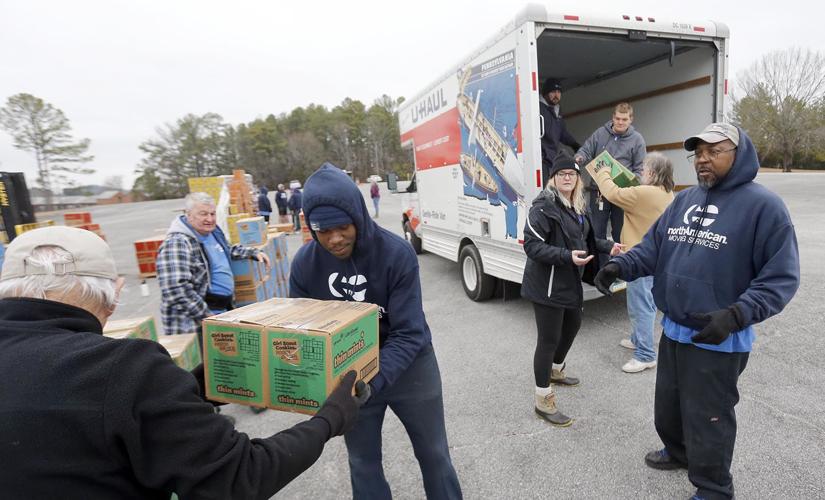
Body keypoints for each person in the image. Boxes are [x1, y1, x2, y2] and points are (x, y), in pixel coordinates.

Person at [0, 225, 362, 499]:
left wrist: (188, 389)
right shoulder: (124, 369)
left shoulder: (124, 379)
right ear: (112, 295)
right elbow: (241, 476)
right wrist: (330, 419)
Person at [594, 123, 800, 499]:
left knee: (709, 418)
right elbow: (653, 248)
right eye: (697, 153)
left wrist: (737, 315)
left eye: (713, 151)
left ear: (739, 155)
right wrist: (620, 267)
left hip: (719, 337)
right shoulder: (685, 202)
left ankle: (715, 488)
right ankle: (679, 452)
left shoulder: (764, 208)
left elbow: (781, 278)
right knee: (668, 409)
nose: (702, 159)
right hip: (675, 329)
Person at [290, 162, 463, 500]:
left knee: (434, 455)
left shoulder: (396, 254)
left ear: (358, 215)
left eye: (342, 227)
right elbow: (302, 333)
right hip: (349, 376)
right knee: (362, 462)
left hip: (411, 368)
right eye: (323, 231)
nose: (335, 238)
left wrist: (371, 380)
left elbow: (409, 333)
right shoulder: (304, 265)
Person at [521, 153, 623, 427]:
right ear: (553, 178)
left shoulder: (578, 205)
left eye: (572, 174)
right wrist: (566, 256)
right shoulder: (542, 207)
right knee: (548, 339)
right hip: (548, 284)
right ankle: (543, 400)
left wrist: (608, 246)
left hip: (570, 281)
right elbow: (532, 246)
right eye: (562, 174)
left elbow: (587, 240)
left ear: (578, 179)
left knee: (573, 325)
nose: (568, 177)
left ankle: (555, 371)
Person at [586, 152, 675, 373]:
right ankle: (638, 338)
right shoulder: (667, 193)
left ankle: (645, 354)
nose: (641, 173)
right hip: (657, 258)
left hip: (640, 260)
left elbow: (611, 193)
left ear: (652, 173)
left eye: (644, 169)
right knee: (648, 302)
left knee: (640, 305)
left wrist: (603, 170)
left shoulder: (644, 193)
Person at [157, 192, 271, 338]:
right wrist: (207, 317)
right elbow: (175, 289)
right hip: (194, 325)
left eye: (212, 213)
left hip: (220, 313)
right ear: (188, 214)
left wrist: (252, 252)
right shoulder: (177, 243)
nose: (210, 219)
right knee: (204, 361)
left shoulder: (212, 233)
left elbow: (226, 249)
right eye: (203, 214)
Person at [574, 102, 646, 267]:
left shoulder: (637, 140)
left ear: (631, 120)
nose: (620, 122)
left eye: (624, 119)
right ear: (613, 118)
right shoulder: (600, 133)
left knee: (620, 232)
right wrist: (579, 158)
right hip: (598, 192)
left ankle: (619, 267)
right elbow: (586, 150)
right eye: (618, 118)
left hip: (622, 193)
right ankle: (599, 268)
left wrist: (632, 180)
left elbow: (640, 169)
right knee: (596, 231)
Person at [539, 77, 580, 185]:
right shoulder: (538, 108)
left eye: (558, 92)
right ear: (545, 93)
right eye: (553, 91)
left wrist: (575, 145)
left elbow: (562, 133)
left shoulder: (556, 110)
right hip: (542, 160)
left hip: (552, 160)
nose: (556, 95)